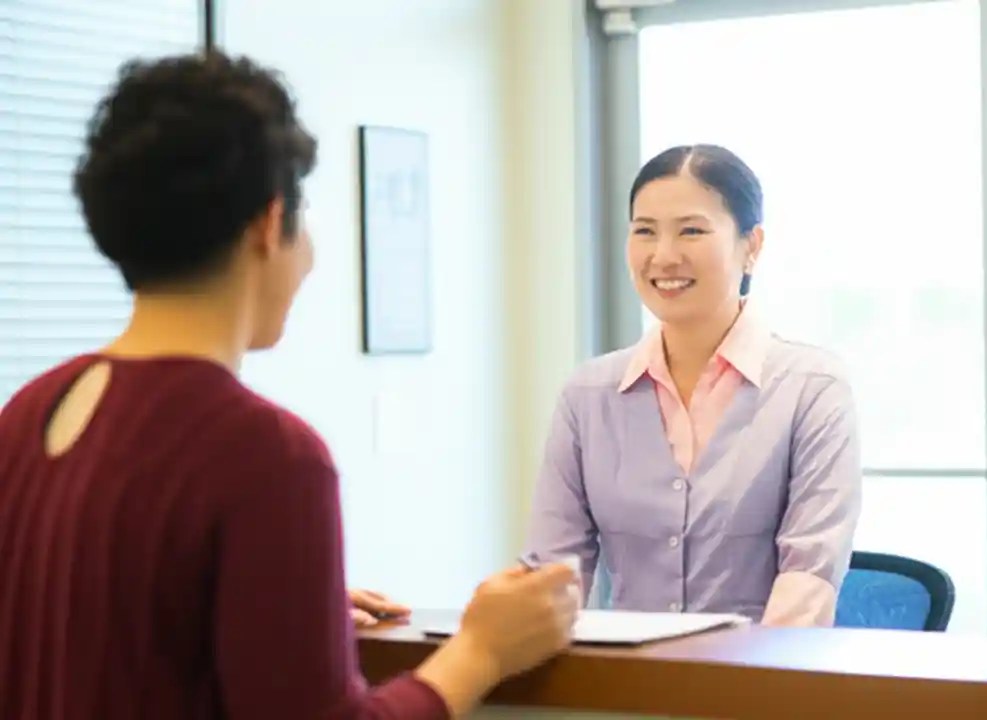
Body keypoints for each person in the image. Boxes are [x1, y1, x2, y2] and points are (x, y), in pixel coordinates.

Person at [0, 51, 578, 719]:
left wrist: (285, 610)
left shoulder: (26, 414)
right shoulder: (267, 454)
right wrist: (481, 650)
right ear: (270, 224)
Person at [525, 145, 861, 626]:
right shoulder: (587, 394)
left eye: (692, 231)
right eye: (644, 231)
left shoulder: (811, 389)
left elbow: (807, 579)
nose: (663, 256)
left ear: (752, 246)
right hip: (620, 686)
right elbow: (550, 572)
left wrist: (727, 692)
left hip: (762, 685)